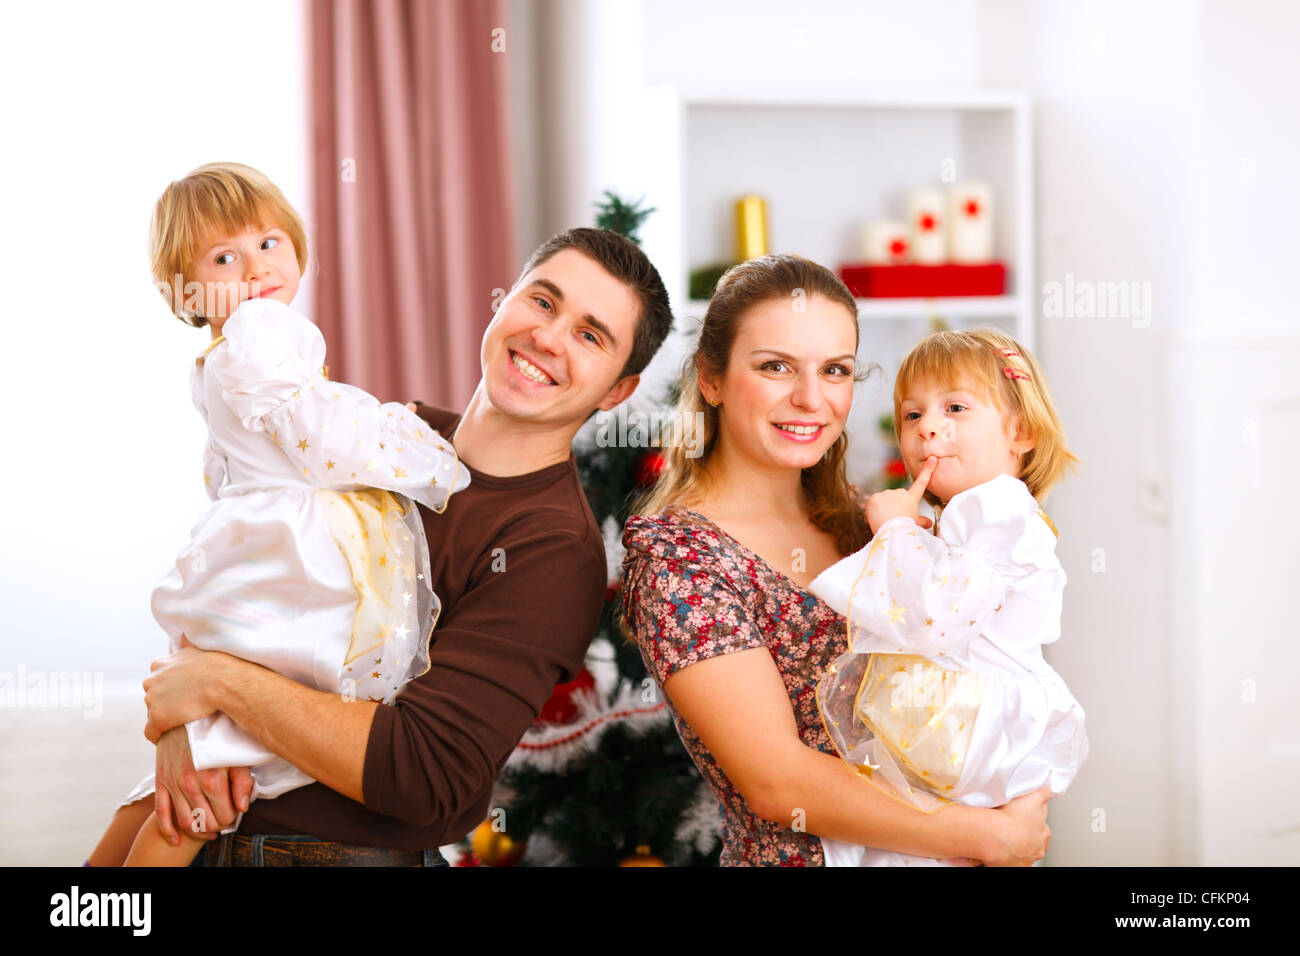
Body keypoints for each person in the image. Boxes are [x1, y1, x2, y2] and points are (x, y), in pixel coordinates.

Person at [91, 225, 674, 866]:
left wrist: (217, 685)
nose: (548, 337)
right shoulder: (387, 436)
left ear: (619, 389)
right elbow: (239, 560)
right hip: (193, 816)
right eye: (542, 301)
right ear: (504, 300)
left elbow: (425, 773)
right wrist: (185, 727)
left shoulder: (551, 548)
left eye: (590, 335)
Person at [88, 162, 470, 867]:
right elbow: (319, 434)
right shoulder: (262, 331)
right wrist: (417, 448)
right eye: (225, 257)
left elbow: (226, 470)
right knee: (215, 789)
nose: (257, 267)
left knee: (201, 772)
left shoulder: (222, 357)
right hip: (286, 582)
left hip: (250, 572)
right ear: (187, 291)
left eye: (268, 241)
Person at [620, 254, 1052, 866]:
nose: (810, 398)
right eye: (775, 367)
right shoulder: (682, 561)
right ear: (711, 379)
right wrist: (989, 836)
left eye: (835, 370)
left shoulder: (865, 524)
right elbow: (778, 784)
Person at [811, 327, 1087, 867]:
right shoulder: (969, 513)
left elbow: (939, 614)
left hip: (977, 720)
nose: (928, 427)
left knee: (901, 835)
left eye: (955, 408)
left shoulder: (995, 507)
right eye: (912, 416)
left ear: (1021, 432)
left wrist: (896, 535)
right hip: (969, 715)